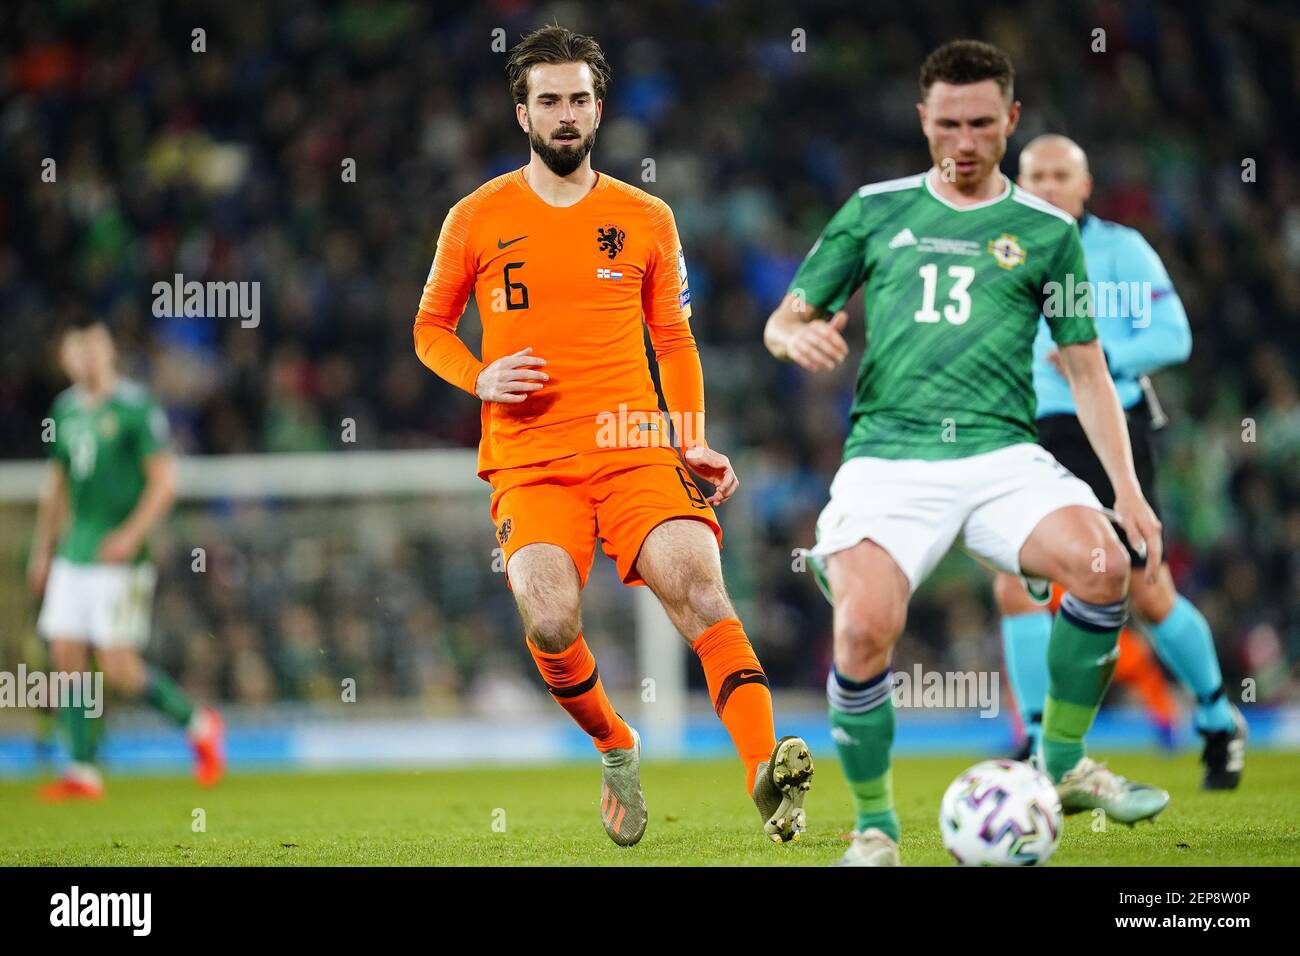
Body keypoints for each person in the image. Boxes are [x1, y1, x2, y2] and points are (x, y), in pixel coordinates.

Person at [764, 40, 1168, 866]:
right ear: (923, 119)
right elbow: (784, 318)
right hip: (889, 460)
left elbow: (1087, 370)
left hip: (1002, 458)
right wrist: (794, 337)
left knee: (1104, 565)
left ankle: (1062, 763)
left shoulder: (1048, 232)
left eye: (983, 124)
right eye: (948, 124)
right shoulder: (874, 210)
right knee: (863, 631)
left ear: (1011, 120)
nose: (964, 141)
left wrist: (1127, 491)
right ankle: (876, 830)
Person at [414, 25, 812, 848]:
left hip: (635, 445)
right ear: (522, 111)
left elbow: (674, 339)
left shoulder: (646, 217)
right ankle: (614, 741)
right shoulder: (475, 217)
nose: (565, 114)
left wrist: (691, 438)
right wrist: (478, 376)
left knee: (700, 589)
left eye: (579, 100)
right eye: (549, 100)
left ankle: (765, 771)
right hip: (530, 458)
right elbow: (429, 329)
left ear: (599, 109)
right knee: (550, 619)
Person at [996, 134, 1246, 788]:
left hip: (1104, 430)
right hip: (1023, 431)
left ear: (1085, 186)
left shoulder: (1121, 251)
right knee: (1014, 582)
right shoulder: (1001, 251)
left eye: (1061, 175)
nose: (1048, 186)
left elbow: (1174, 335)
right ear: (1019, 184)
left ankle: (1217, 716)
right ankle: (1035, 743)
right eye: (1036, 175)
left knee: (1146, 589)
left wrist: (1101, 357)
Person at [28, 317, 225, 801]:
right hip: (75, 552)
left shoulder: (136, 408)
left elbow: (165, 482)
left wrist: (130, 534)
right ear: (65, 359)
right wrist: (43, 549)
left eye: (94, 347)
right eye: (78, 349)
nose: (87, 357)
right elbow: (56, 485)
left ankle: (198, 723)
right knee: (66, 657)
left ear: (110, 350)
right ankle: (82, 769)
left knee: (118, 668)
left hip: (122, 559)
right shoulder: (65, 411)